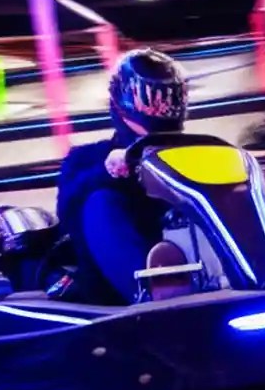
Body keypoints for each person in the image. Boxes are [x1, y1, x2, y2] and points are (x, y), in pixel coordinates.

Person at [56, 48, 192, 305]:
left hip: (199, 271)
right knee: (100, 200)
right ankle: (150, 297)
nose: (161, 110)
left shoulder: (191, 155)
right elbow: (69, 210)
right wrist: (115, 169)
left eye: (167, 102)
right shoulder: (87, 159)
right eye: (153, 102)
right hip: (114, 298)